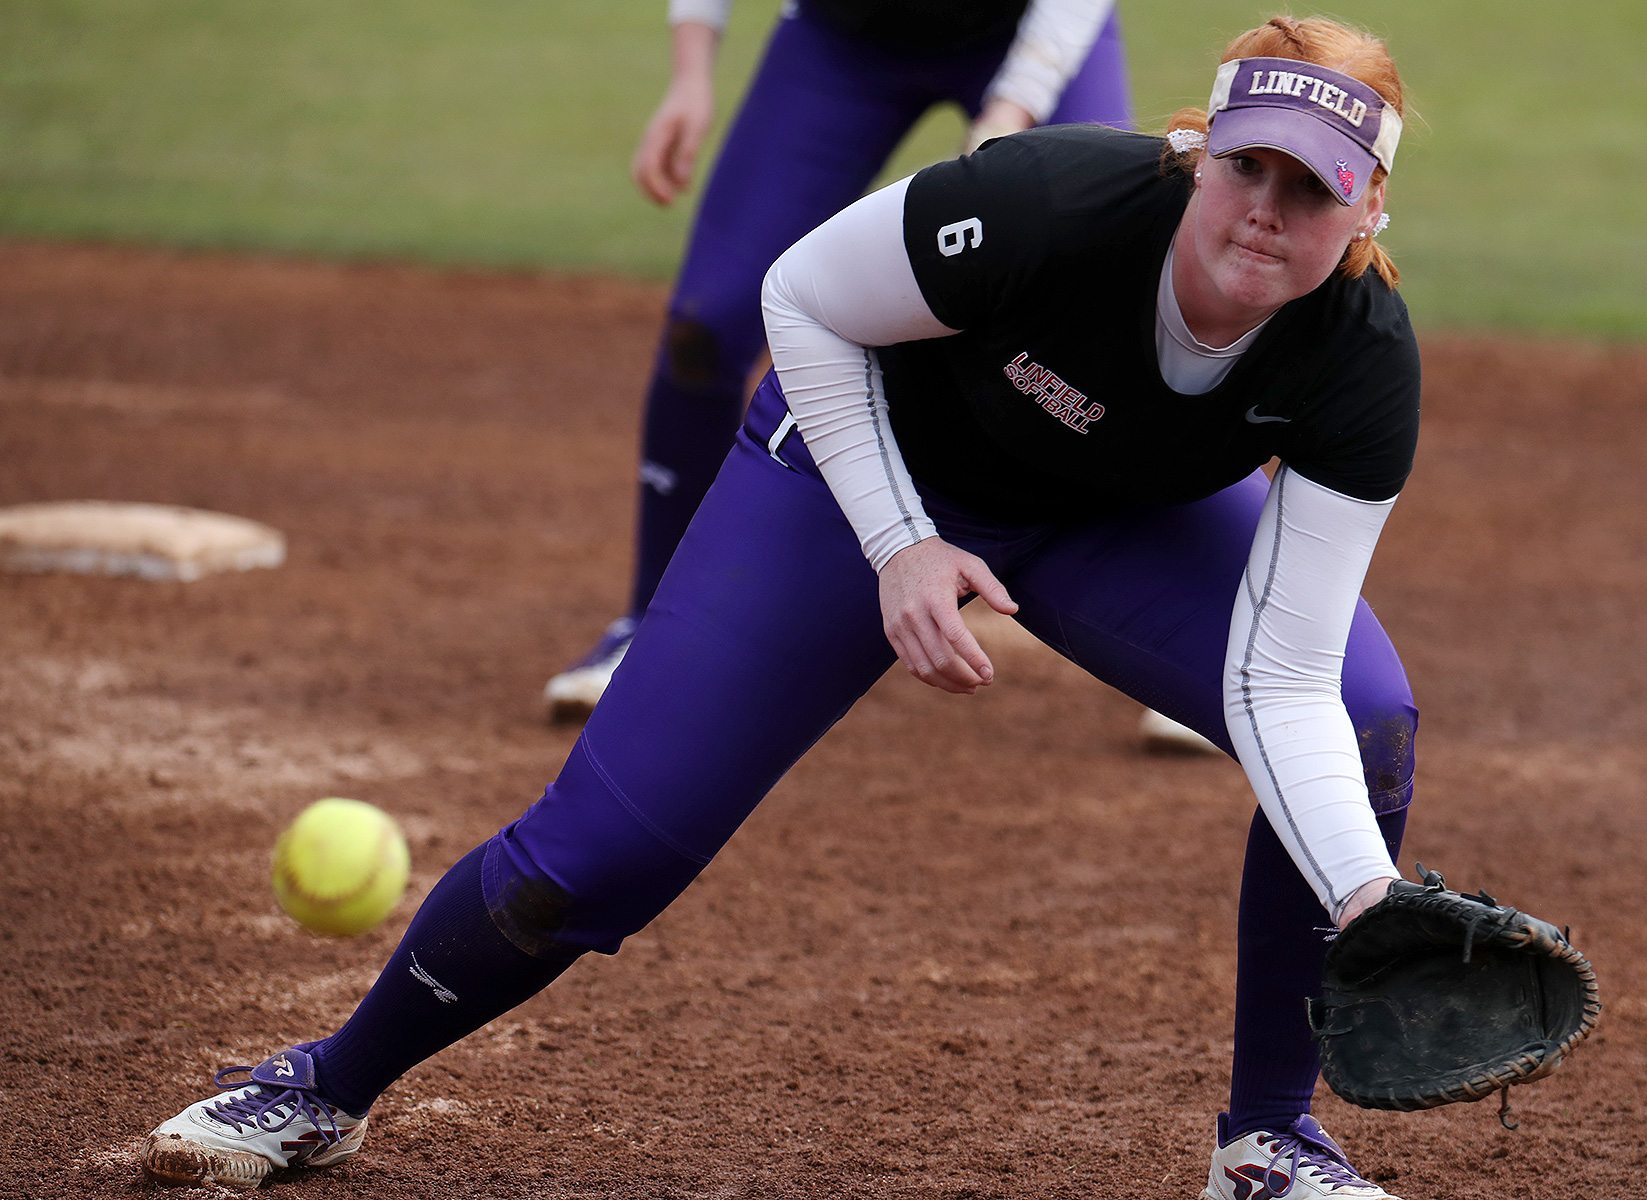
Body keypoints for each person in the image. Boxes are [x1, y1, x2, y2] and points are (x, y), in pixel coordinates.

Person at [142, 14, 1423, 1199]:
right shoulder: (1049, 200)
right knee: (605, 857)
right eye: (1250, 166)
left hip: (1113, 519)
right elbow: (803, 298)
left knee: (1365, 720)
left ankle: (1268, 1145)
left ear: (1366, 203)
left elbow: (1286, 675)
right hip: (859, 467)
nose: (1267, 210)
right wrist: (903, 543)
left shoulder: (1361, 352)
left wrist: (1363, 893)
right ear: (1197, 154)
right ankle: (325, 1085)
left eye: (1313, 185)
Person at [544, 0, 1132, 719]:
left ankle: (1195, 642)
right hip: (841, 37)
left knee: (1117, 291)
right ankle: (645, 633)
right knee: (704, 327)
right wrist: (690, 73)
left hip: (1027, 24)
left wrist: (1012, 109)